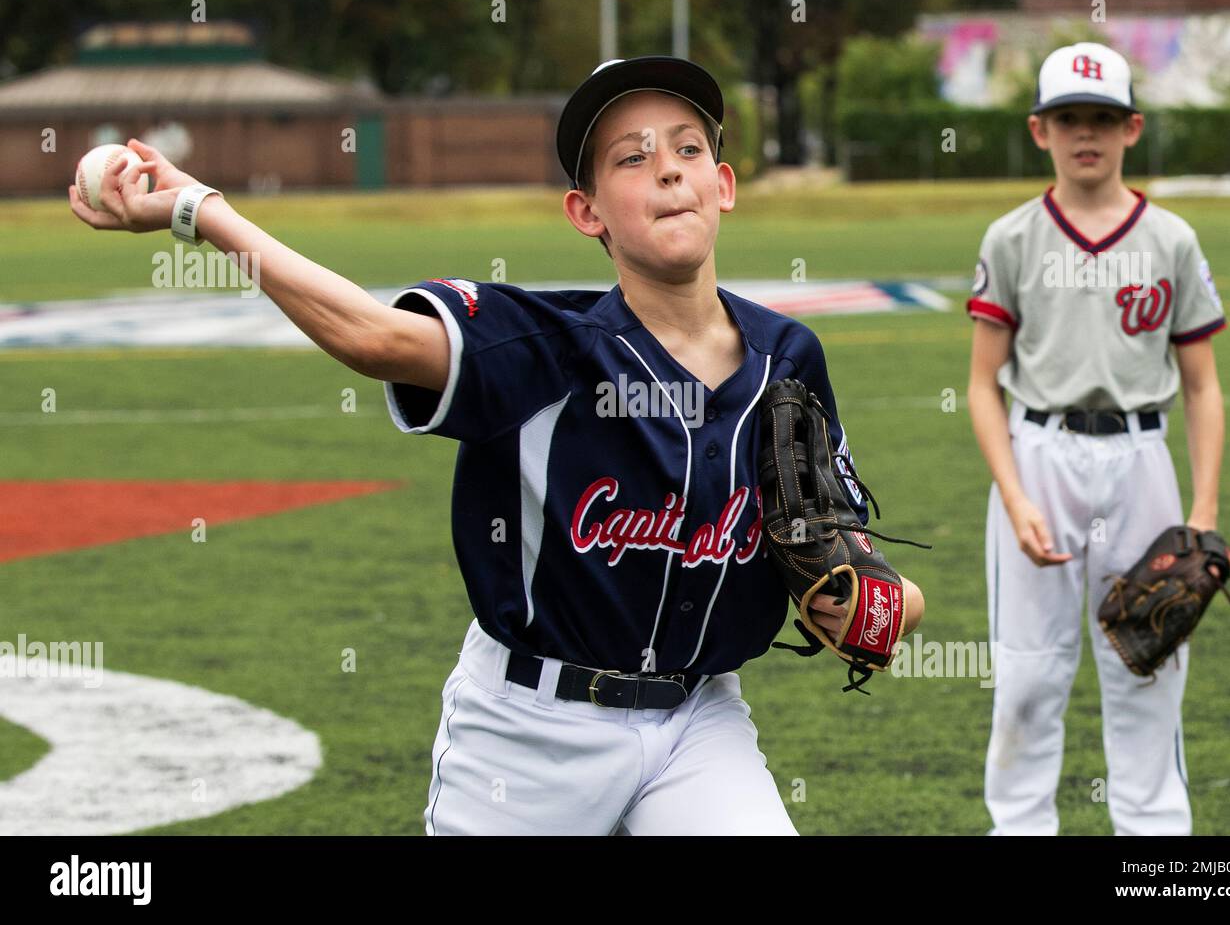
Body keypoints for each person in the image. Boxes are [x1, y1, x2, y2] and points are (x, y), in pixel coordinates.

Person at [70, 56, 924, 835]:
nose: (666, 167)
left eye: (688, 149)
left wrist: (873, 607)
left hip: (698, 721)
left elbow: (854, 585)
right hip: (527, 730)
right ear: (585, 212)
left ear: (724, 184)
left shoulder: (789, 359)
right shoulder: (541, 344)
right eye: (631, 157)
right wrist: (200, 211)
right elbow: (371, 336)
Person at [965, 42, 1227, 835]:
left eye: (1104, 118)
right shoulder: (1011, 238)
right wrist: (1014, 496)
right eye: (1070, 117)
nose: (1088, 133)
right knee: (1027, 678)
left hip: (1141, 459)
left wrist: (1204, 510)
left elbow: (1204, 385)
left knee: (1147, 661)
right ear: (1039, 129)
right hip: (1038, 454)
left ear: (1132, 128)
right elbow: (982, 384)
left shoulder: (1171, 239)